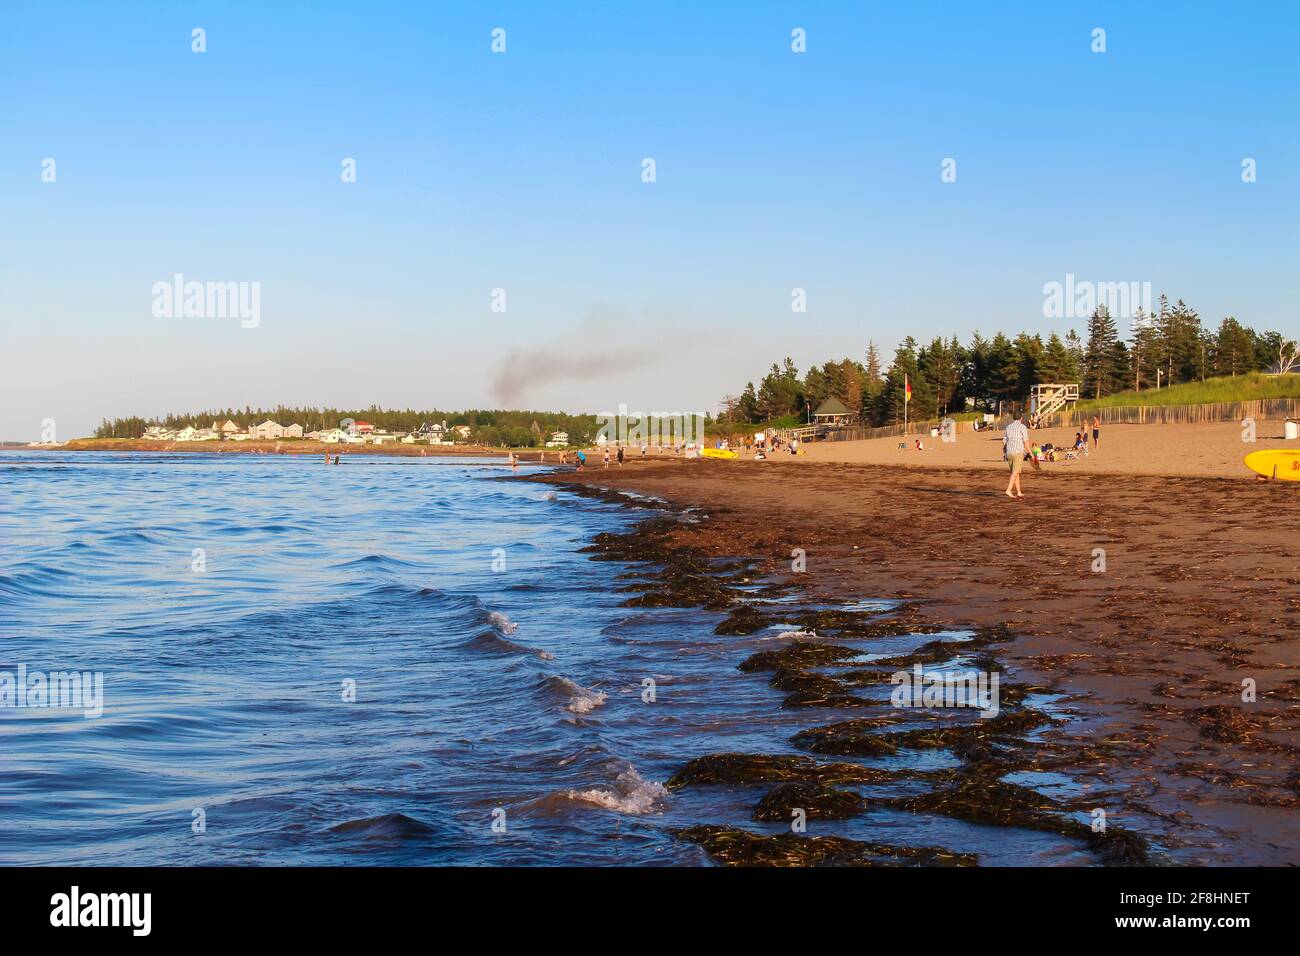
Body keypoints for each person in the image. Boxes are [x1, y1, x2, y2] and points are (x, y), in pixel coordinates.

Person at [1003, 415, 1030, 499]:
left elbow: (1004, 441)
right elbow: (1026, 441)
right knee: (1015, 472)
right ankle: (1008, 490)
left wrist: (1004, 451)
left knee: (1015, 473)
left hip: (1009, 452)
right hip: (1018, 452)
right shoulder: (1022, 427)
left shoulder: (1008, 427)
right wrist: (1030, 453)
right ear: (1021, 418)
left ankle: (1018, 492)